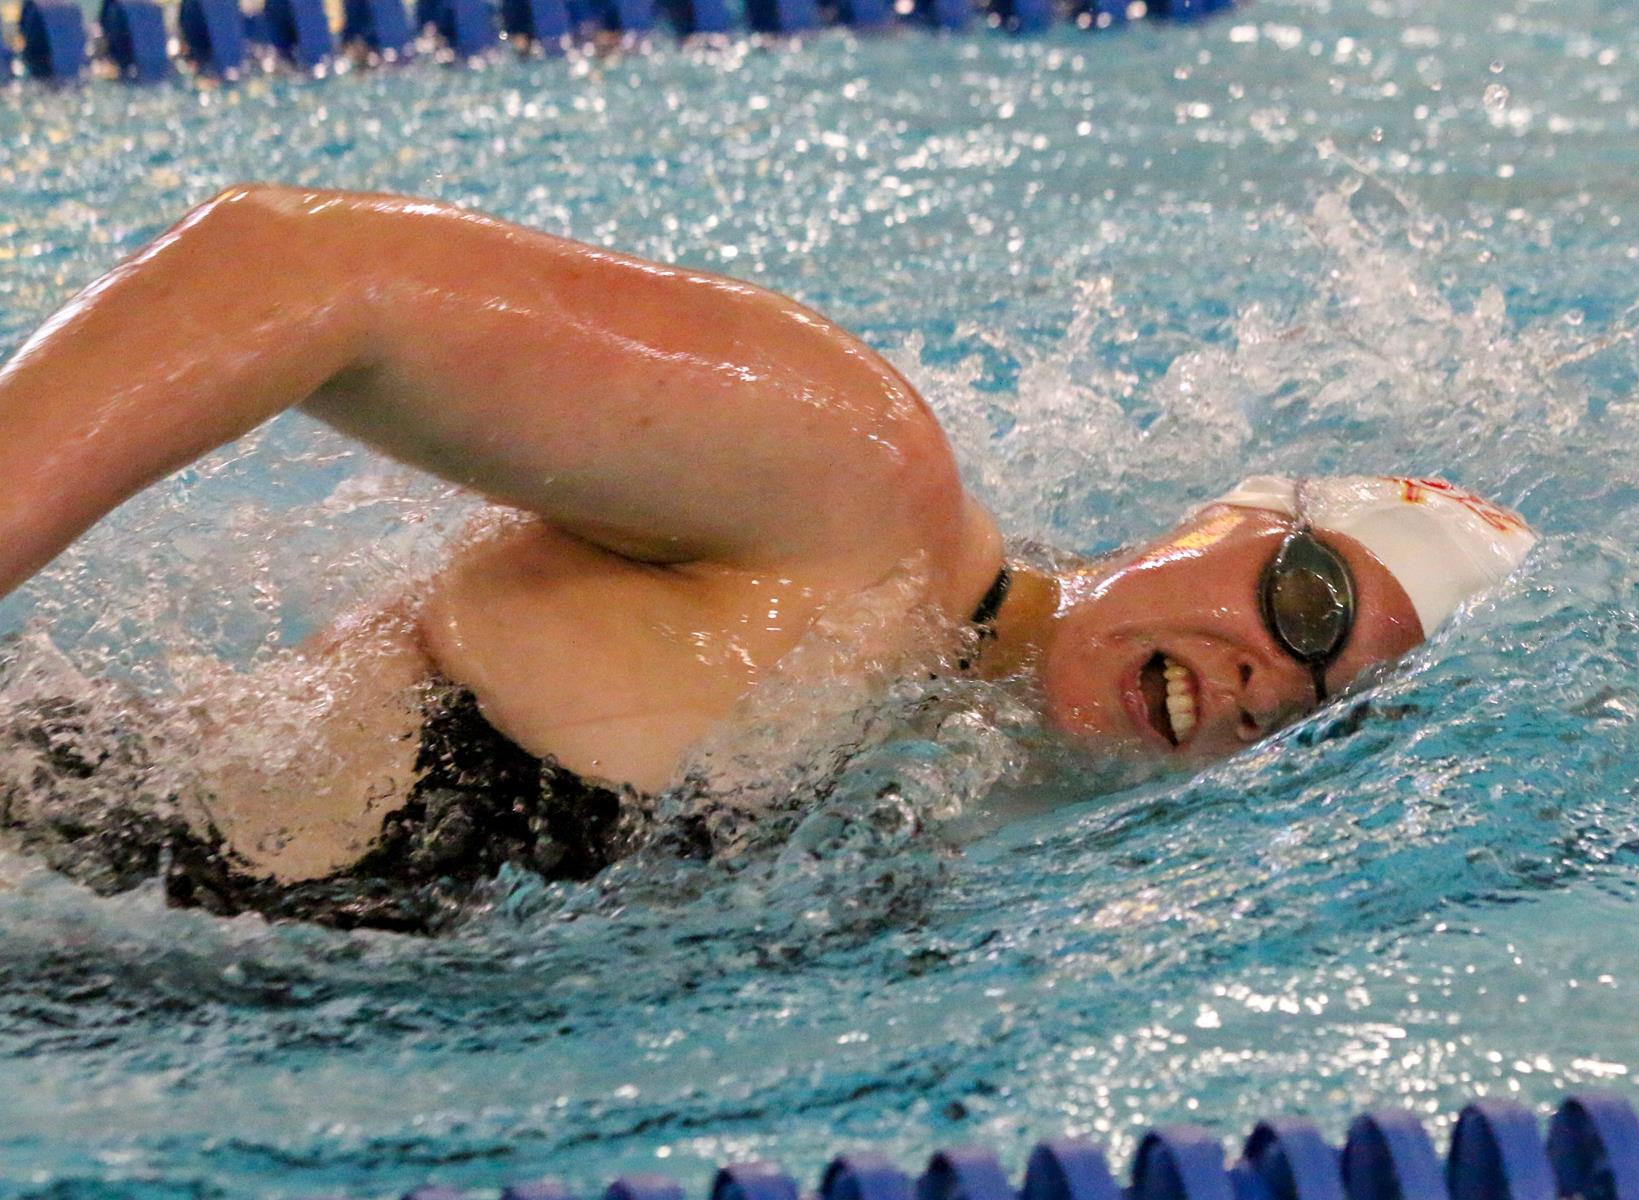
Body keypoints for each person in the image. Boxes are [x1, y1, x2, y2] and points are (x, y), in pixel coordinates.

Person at [0, 185, 1535, 932]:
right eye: (1309, 597)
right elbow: (307, 265)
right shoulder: (861, 495)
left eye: (1328, 704)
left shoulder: (976, 834)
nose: (1271, 674)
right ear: (1223, 515)